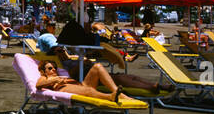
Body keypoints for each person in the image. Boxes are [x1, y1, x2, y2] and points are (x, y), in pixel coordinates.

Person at [38, 33, 172, 93]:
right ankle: (151, 87)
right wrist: (83, 63)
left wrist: (82, 60)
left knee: (127, 77)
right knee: (120, 78)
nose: (60, 49)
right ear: (51, 51)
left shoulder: (65, 57)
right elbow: (70, 76)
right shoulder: (54, 64)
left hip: (90, 74)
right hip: (86, 80)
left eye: (60, 47)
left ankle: (156, 85)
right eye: (57, 49)